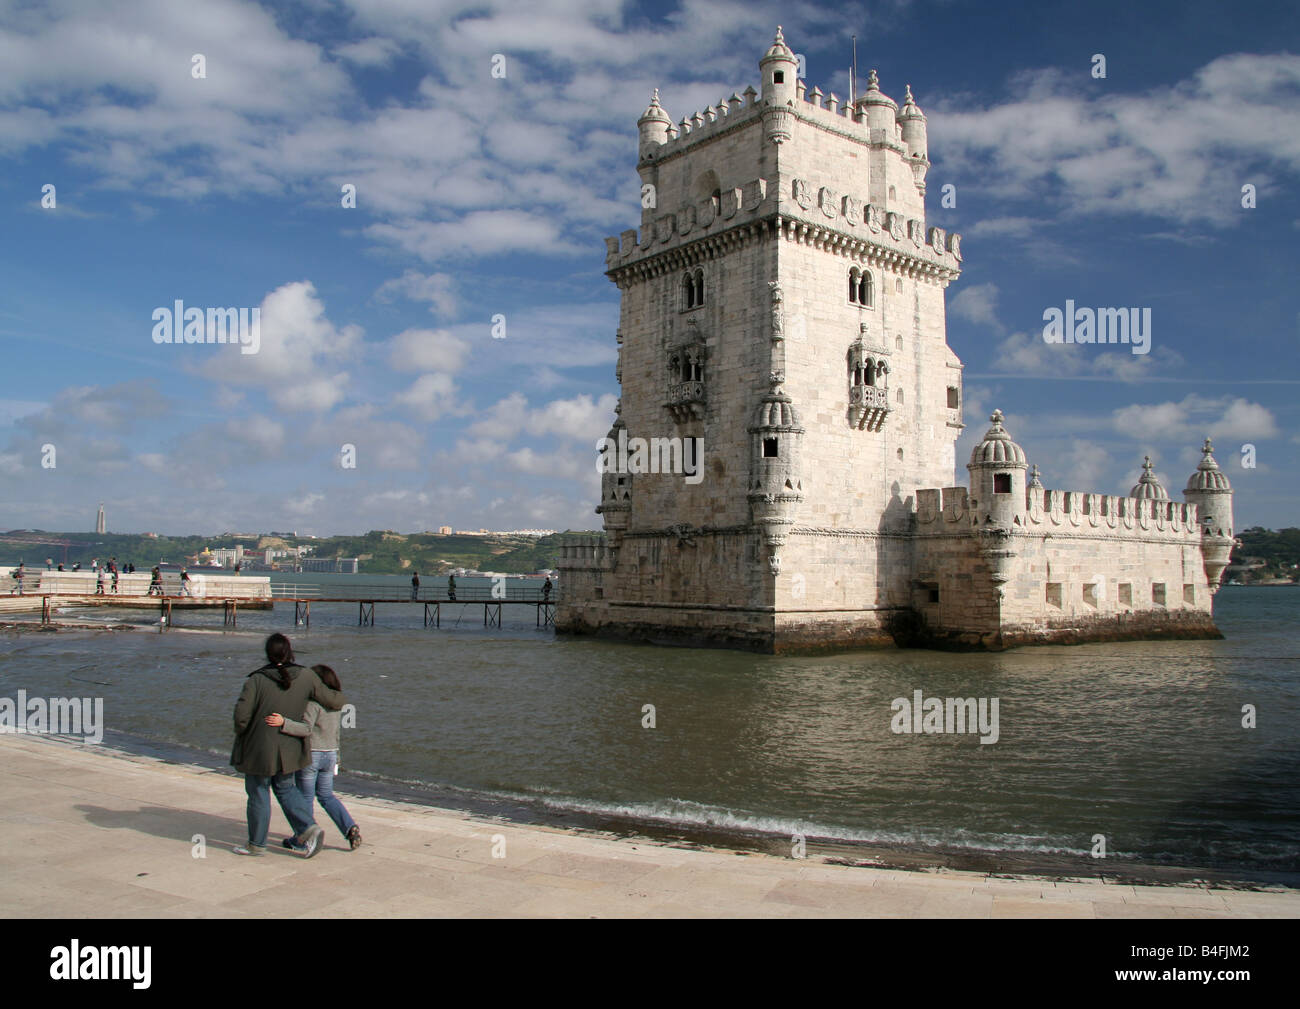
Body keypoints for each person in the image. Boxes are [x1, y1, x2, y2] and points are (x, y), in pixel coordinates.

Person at [230, 634, 346, 857]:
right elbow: (333, 700)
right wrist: (341, 699)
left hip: (259, 747)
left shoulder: (256, 680)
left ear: (268, 653)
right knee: (285, 789)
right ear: (289, 651)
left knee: (258, 792)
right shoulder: (307, 676)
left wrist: (244, 733)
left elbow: (241, 716)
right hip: (291, 746)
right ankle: (308, 828)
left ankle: (256, 843)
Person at [268, 664, 361, 851]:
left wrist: (283, 723)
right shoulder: (337, 704)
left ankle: (303, 839)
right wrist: (337, 759)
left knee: (305, 798)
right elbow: (336, 734)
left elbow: (306, 729)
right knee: (327, 796)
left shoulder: (313, 704)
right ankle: (349, 827)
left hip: (313, 755)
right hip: (331, 754)